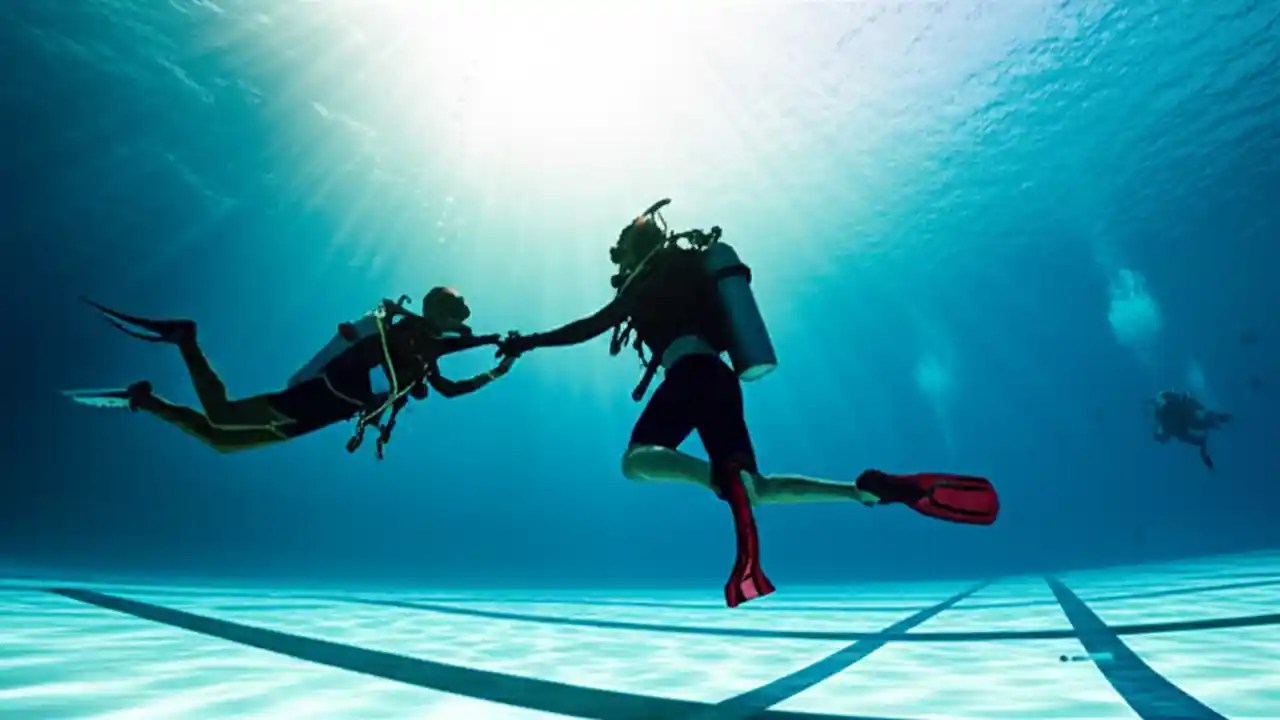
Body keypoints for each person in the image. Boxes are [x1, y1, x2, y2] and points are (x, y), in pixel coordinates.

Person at [497, 199, 999, 607]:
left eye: (620, 250)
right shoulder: (695, 267)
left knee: (635, 462)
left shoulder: (644, 282)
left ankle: (718, 478)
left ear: (635, 250)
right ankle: (863, 491)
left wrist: (528, 342)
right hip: (720, 377)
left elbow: (587, 327)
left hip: (687, 374)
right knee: (755, 489)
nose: (618, 259)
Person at [66, 288, 514, 458]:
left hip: (322, 414)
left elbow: (451, 390)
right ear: (438, 312)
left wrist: (500, 367)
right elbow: (434, 345)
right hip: (317, 398)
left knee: (222, 441)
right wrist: (492, 342)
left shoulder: (427, 354)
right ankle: (186, 338)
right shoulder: (411, 333)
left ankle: (143, 400)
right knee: (220, 415)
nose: (464, 319)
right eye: (458, 312)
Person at [1149, 389, 1231, 469]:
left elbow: (1196, 437)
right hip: (1186, 413)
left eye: (1163, 439)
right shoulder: (1175, 431)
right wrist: (1204, 456)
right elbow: (1197, 440)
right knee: (1202, 423)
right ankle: (1221, 418)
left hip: (1186, 410)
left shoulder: (1164, 419)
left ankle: (1221, 418)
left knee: (1201, 421)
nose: (1166, 441)